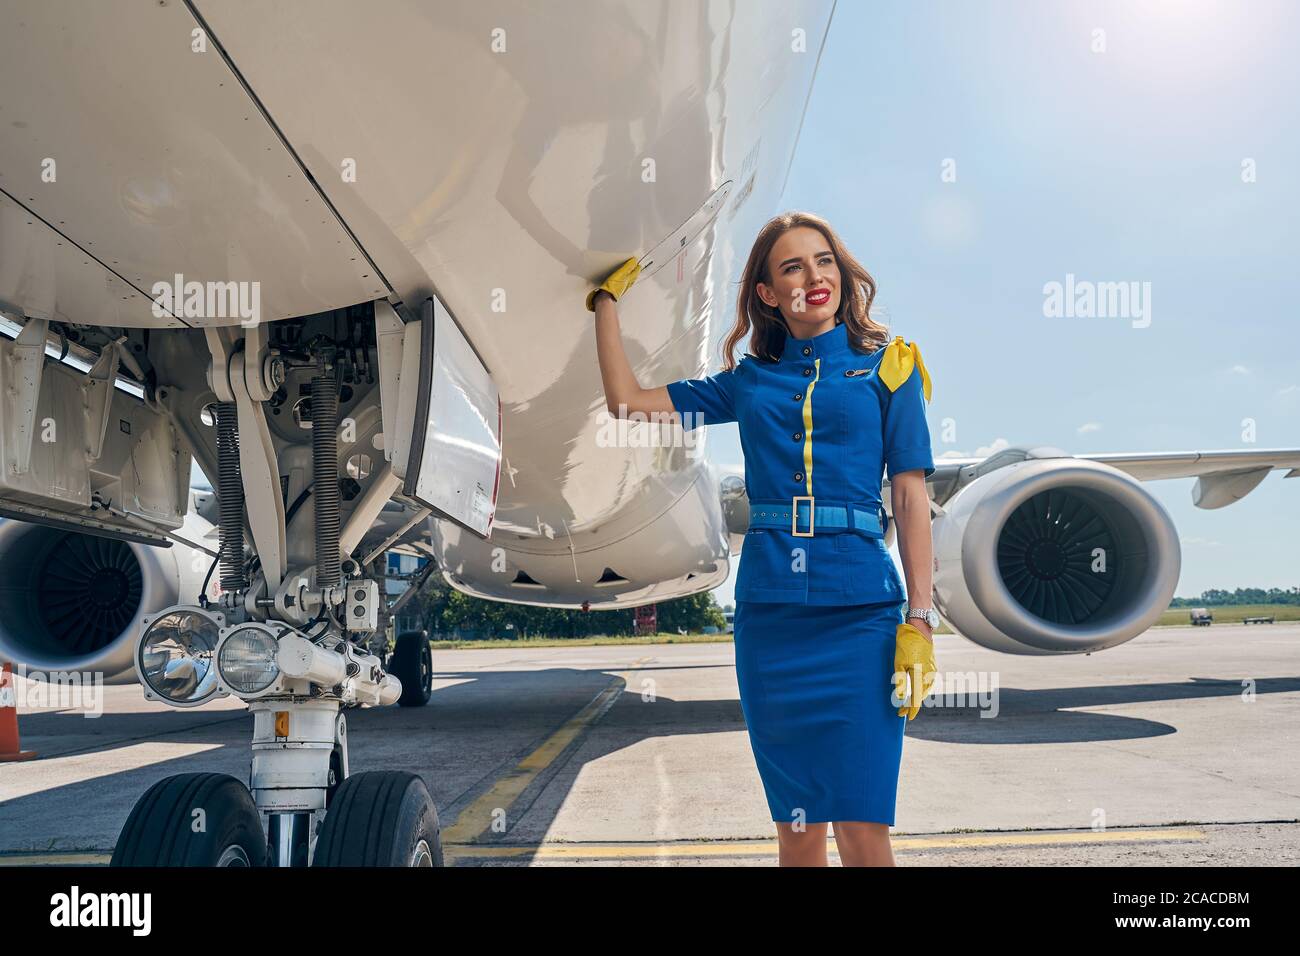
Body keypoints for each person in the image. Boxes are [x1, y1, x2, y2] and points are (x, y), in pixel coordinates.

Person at [587, 210, 938, 866]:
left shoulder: (891, 366)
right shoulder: (748, 383)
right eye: (793, 266)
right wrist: (605, 304)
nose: (814, 276)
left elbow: (910, 496)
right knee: (799, 830)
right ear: (768, 294)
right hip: (774, 621)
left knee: (864, 826)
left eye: (825, 260)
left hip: (864, 616)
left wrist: (920, 617)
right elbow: (626, 402)